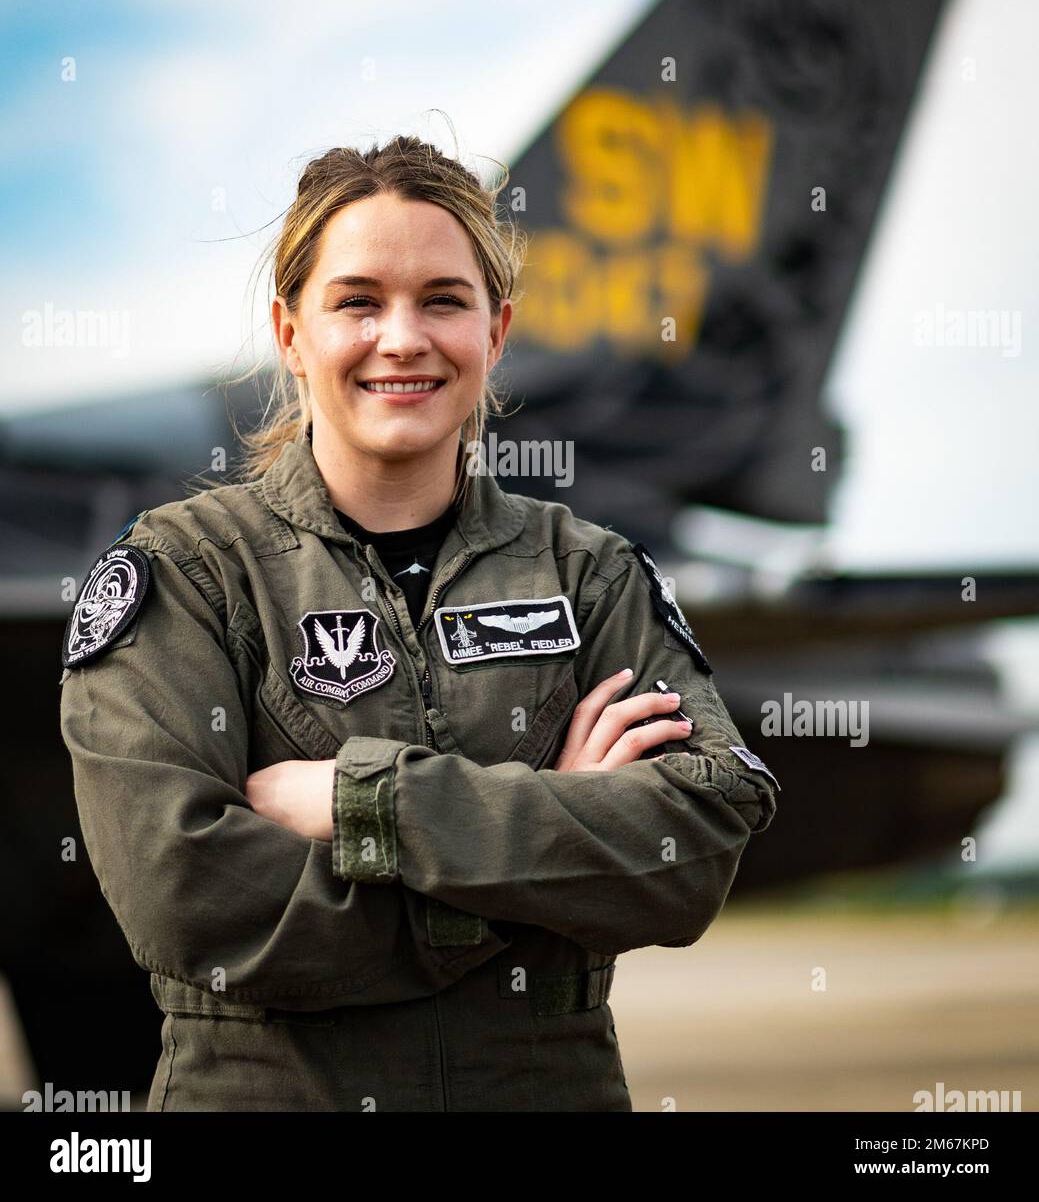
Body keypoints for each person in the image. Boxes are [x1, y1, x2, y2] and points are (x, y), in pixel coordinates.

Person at [59, 136, 779, 1113]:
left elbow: (693, 841)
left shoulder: (590, 573)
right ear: (290, 332)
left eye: (443, 299)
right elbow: (188, 897)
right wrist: (543, 848)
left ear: (495, 329)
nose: (403, 337)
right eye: (358, 301)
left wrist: (370, 804)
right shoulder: (186, 574)